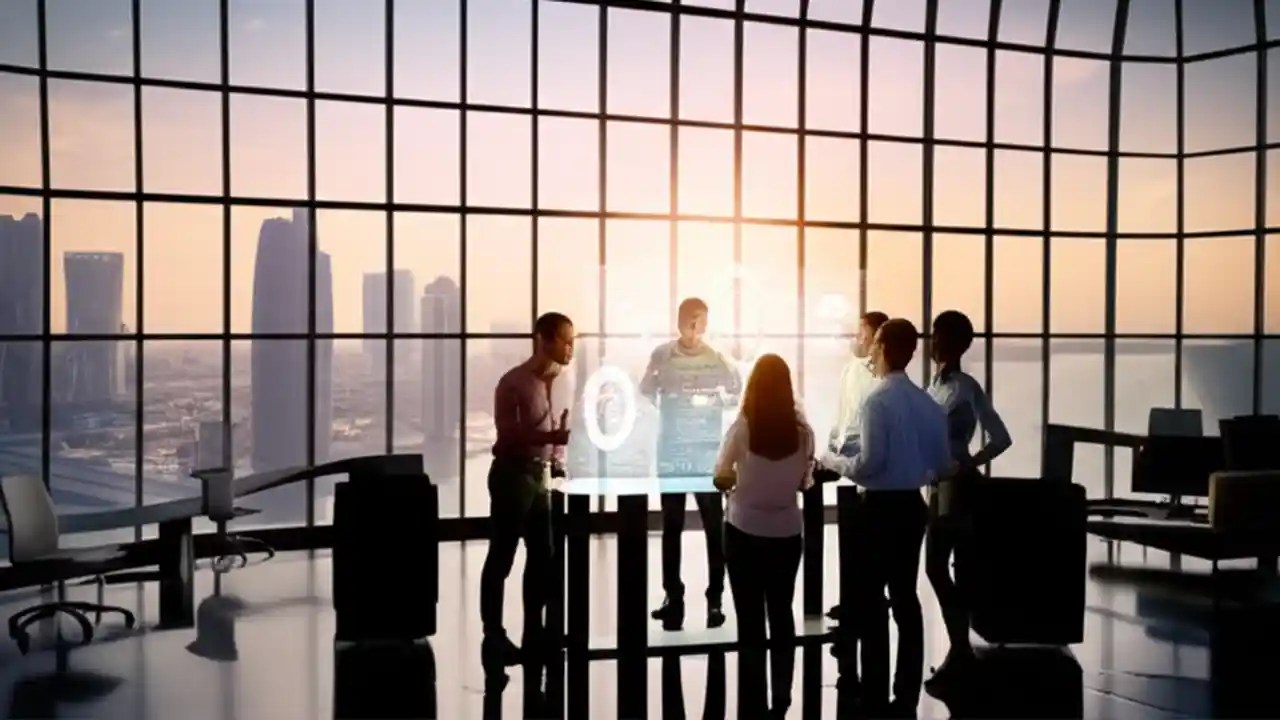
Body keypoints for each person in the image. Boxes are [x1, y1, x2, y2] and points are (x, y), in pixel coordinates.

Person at [819, 318, 954, 717]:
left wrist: (834, 462)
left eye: (874, 345)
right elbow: (942, 464)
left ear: (881, 348)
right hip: (912, 507)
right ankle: (906, 692)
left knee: (872, 600)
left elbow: (869, 464)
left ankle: (875, 690)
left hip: (877, 509)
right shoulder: (928, 404)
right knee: (905, 597)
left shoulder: (875, 401)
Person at [713, 353, 814, 718]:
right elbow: (805, 481)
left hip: (743, 530)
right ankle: (782, 696)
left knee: (750, 619)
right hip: (786, 533)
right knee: (782, 612)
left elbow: (721, 472)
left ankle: (752, 698)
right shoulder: (803, 434)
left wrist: (735, 482)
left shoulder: (743, 428)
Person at [479, 312, 575, 671]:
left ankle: (533, 631)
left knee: (541, 556)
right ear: (544, 339)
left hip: (538, 477)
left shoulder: (552, 382)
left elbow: (549, 431)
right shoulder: (514, 383)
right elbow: (509, 434)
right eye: (566, 341)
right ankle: (494, 634)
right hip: (513, 476)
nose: (571, 349)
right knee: (502, 556)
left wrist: (556, 456)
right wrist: (553, 437)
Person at [923, 310, 1012, 691]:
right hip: (939, 485)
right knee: (941, 568)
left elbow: (1001, 437)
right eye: (934, 334)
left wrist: (968, 463)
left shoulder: (963, 387)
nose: (933, 342)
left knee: (939, 567)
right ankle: (960, 650)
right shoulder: (935, 386)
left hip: (956, 488)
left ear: (958, 344)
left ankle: (960, 650)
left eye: (939, 336)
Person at [641, 297, 743, 630]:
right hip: (674, 452)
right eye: (691, 320)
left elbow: (735, 391)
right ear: (680, 321)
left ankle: (715, 598)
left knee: (714, 528)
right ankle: (673, 596)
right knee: (671, 527)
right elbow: (645, 391)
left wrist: (712, 401)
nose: (696, 327)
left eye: (701, 321)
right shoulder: (662, 355)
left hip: (705, 454)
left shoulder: (717, 358)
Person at [821, 310, 889, 622]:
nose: (857, 338)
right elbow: (843, 412)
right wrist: (831, 446)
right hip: (846, 448)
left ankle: (865, 599)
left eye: (863, 333)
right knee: (851, 531)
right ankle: (851, 599)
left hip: (862, 451)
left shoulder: (878, 377)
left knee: (864, 534)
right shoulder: (850, 369)